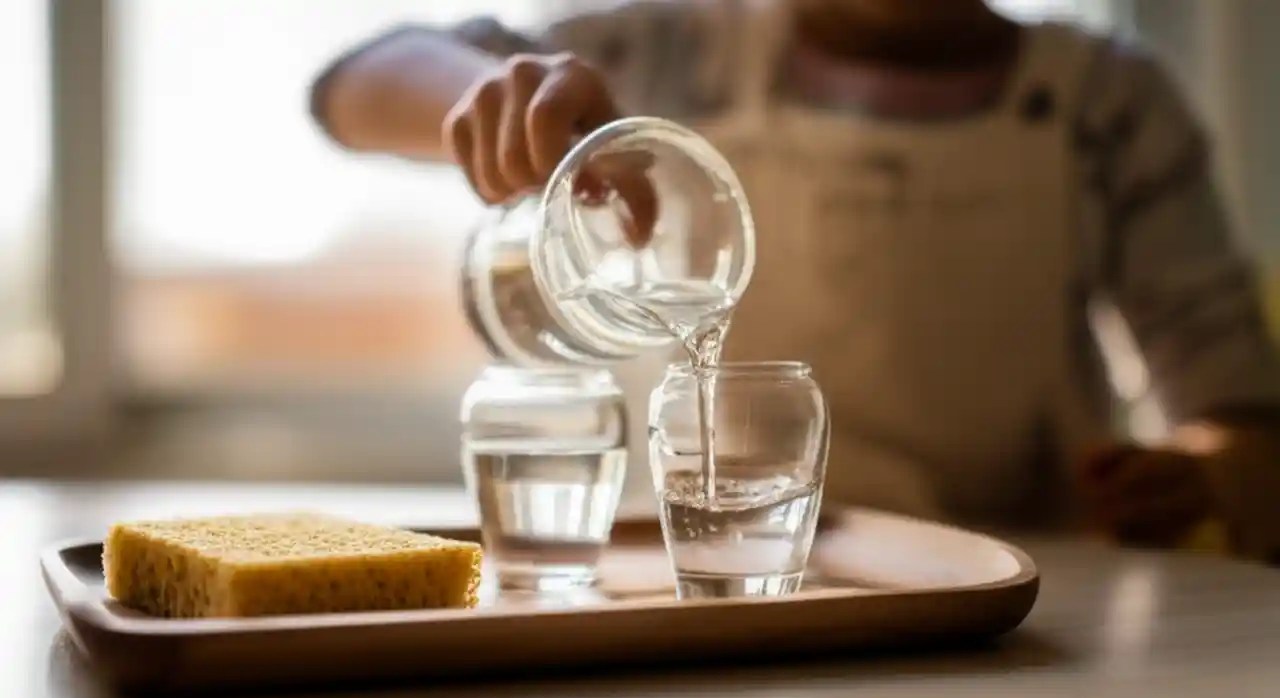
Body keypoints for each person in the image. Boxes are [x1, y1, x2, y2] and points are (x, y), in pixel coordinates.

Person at [309, 0, 1280, 560]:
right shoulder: (664, 52)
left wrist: (1200, 476)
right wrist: (486, 101)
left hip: (1027, 596)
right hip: (719, 582)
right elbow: (350, 84)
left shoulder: (1109, 102)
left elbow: (1242, 424)